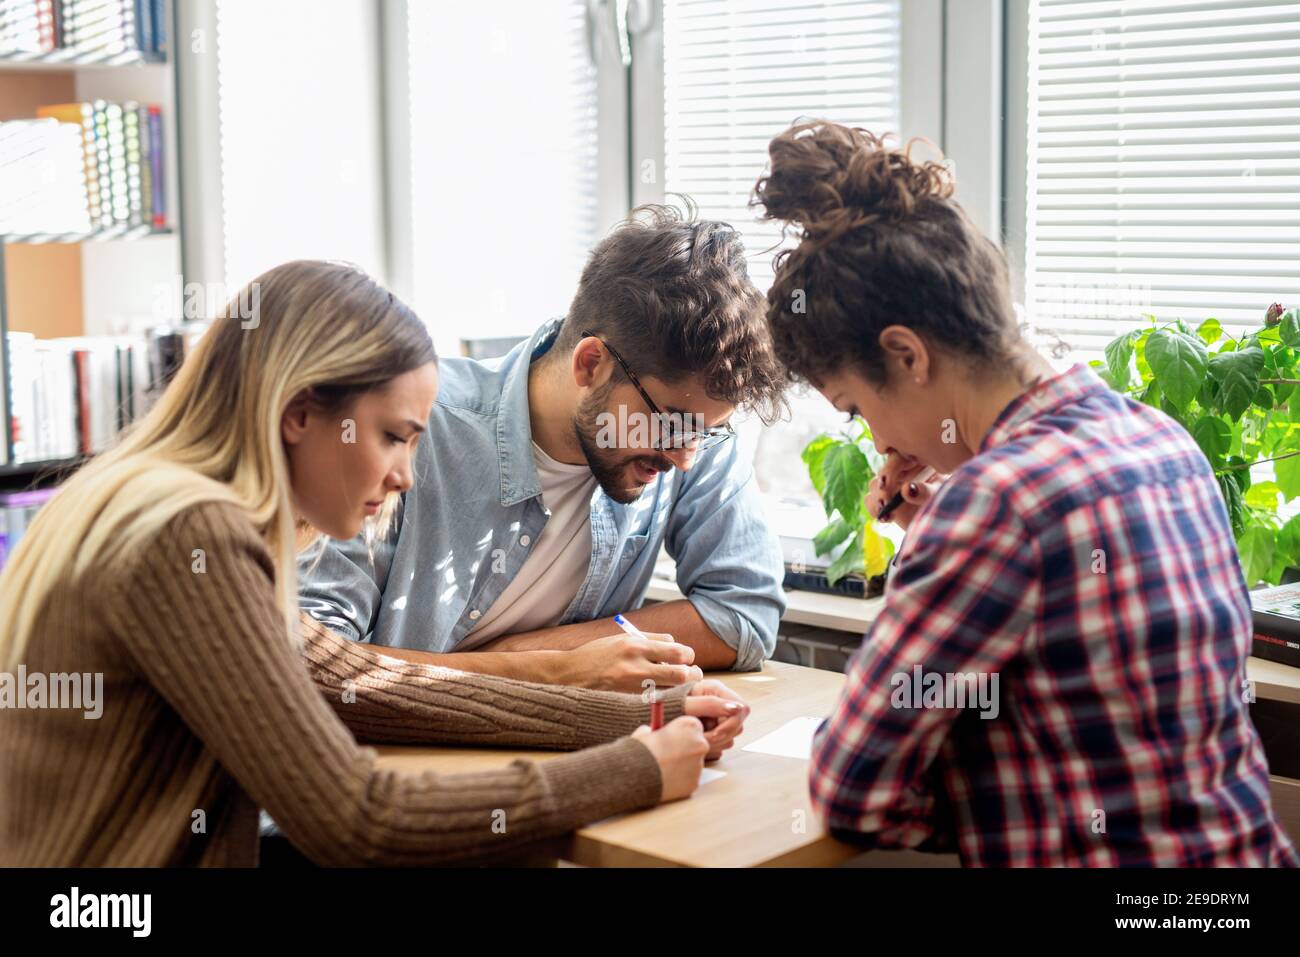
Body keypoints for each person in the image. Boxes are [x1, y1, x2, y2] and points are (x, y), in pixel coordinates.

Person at [0, 260, 747, 867]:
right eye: (393, 436)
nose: (406, 476)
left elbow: (368, 685)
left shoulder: (161, 502)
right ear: (299, 414)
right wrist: (634, 769)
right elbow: (356, 817)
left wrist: (643, 717)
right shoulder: (189, 537)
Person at [754, 120, 1299, 866]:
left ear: (906, 353)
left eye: (855, 406)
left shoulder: (995, 507)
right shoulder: (1163, 441)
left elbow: (854, 787)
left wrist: (985, 796)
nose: (878, 442)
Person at [298, 205, 789, 692]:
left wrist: (531, 652)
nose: (685, 458)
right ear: (591, 363)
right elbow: (311, 661)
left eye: (706, 432)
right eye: (671, 427)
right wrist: (551, 671)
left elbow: (745, 613)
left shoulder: (693, 429)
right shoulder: (413, 427)